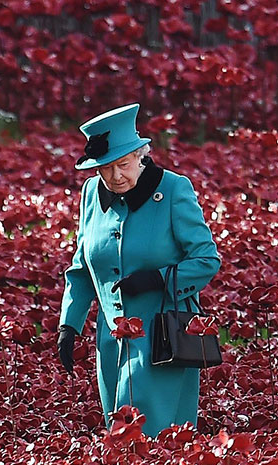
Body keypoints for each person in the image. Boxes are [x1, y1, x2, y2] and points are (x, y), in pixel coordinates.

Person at [57, 103, 221, 437]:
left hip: (164, 337)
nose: (116, 176)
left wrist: (157, 279)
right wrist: (69, 325)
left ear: (141, 156)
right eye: (105, 168)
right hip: (111, 341)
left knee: (154, 435)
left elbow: (206, 259)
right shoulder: (90, 194)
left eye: (123, 164)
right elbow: (81, 268)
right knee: (117, 435)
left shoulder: (174, 190)